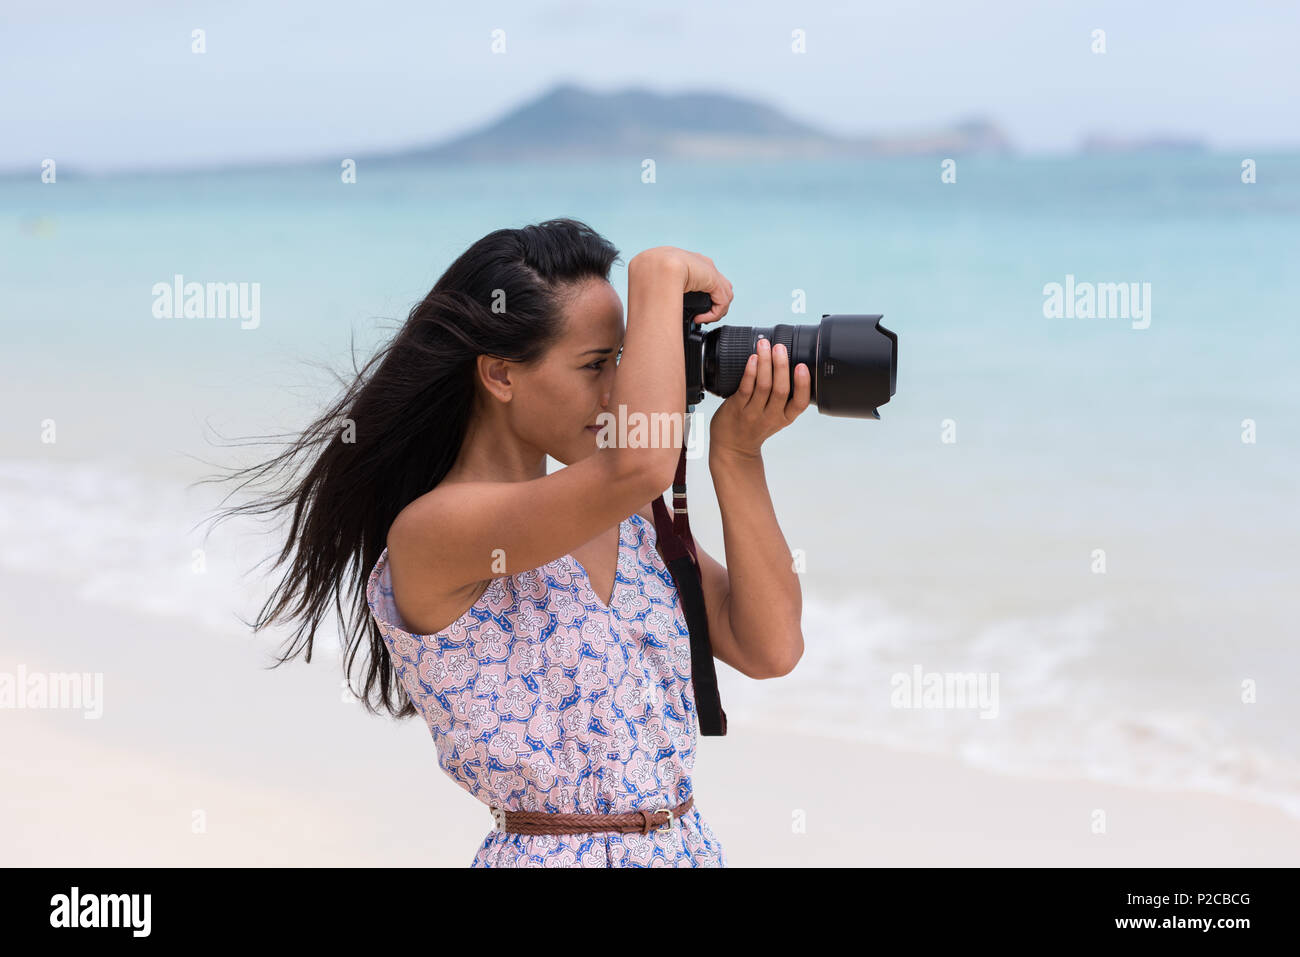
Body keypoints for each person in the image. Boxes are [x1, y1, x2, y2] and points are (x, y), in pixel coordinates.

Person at [203, 218, 809, 866]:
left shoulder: (625, 520)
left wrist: (738, 454)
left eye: (626, 363)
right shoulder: (435, 533)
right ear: (499, 375)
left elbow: (769, 646)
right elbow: (639, 463)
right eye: (596, 364)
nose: (616, 393)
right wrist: (659, 273)